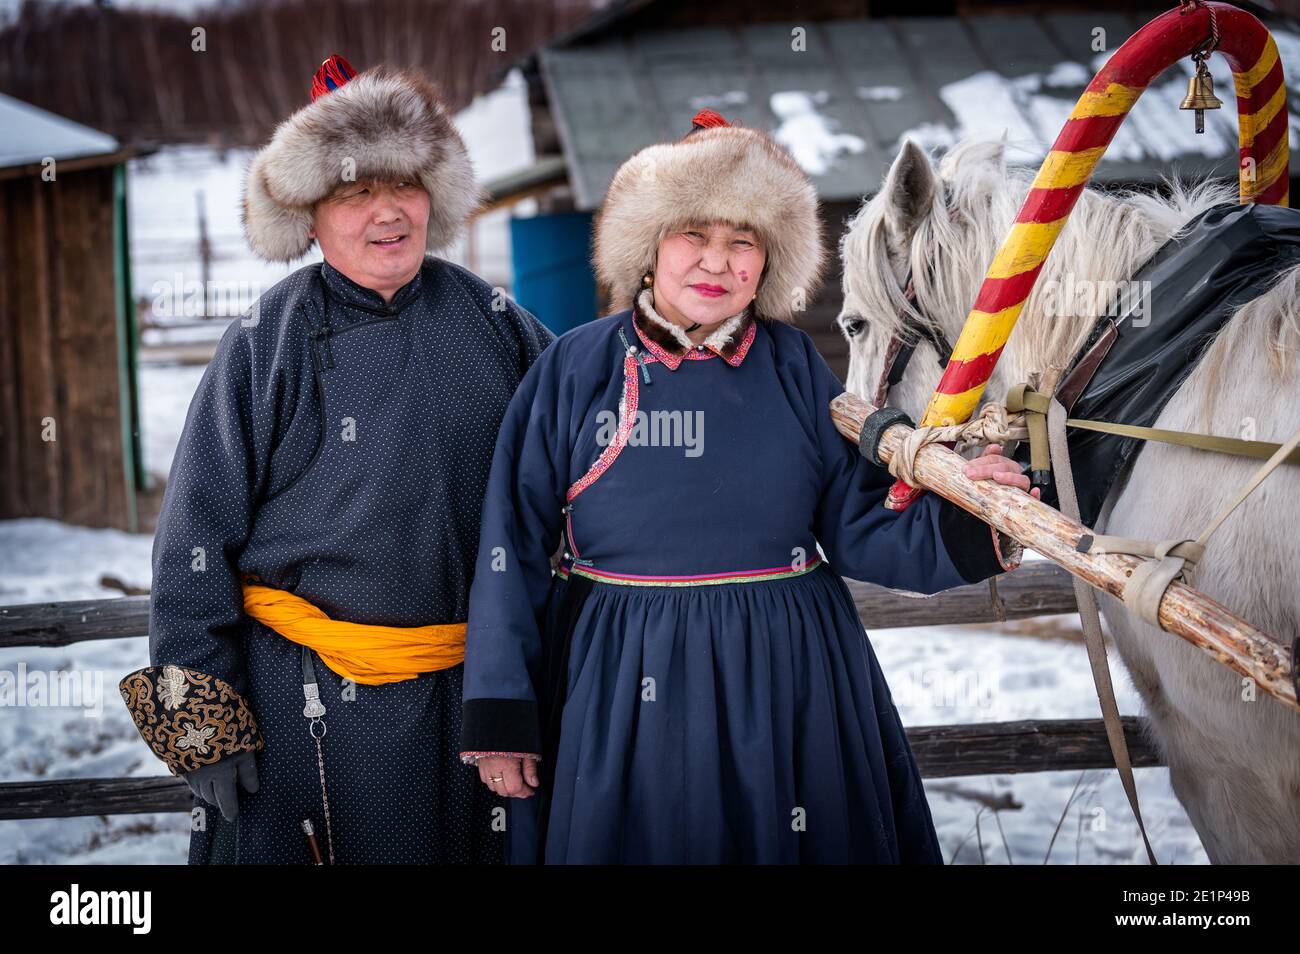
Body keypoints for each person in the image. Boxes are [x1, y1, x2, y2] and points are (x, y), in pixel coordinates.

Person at [458, 109, 1037, 864]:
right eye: (693, 235)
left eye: (743, 243)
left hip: (789, 680)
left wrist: (976, 519)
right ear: (648, 248)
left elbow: (860, 523)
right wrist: (503, 710)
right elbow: (512, 547)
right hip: (619, 684)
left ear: (769, 264)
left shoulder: (795, 367)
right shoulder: (574, 370)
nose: (716, 262)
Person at [119, 55, 553, 863]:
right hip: (302, 707)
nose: (387, 212)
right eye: (356, 193)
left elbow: (595, 449)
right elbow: (192, 539)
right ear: (311, 216)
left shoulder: (498, 323)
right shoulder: (262, 344)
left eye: (405, 186)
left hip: (472, 708)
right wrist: (202, 722)